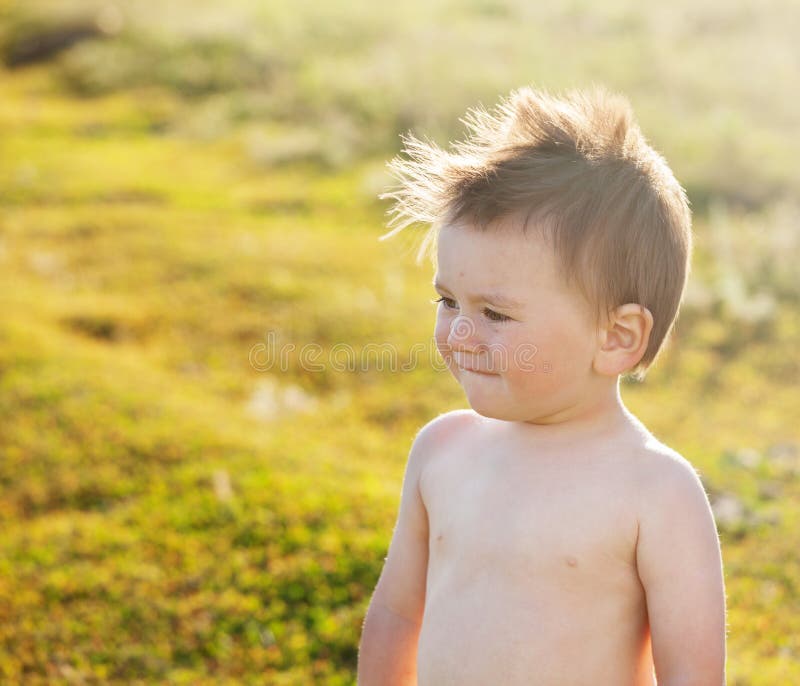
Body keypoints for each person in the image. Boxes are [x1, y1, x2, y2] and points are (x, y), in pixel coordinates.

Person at [356, 86, 727, 685]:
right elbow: (397, 616)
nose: (461, 334)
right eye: (448, 301)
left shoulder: (656, 492)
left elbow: (693, 675)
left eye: (496, 314)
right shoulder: (442, 451)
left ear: (616, 337)